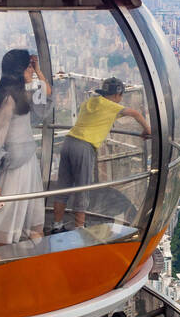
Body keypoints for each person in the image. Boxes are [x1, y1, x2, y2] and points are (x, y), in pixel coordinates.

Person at [0, 48, 51, 249]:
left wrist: (39, 71)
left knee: (16, 221)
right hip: (13, 168)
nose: (31, 70)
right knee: (1, 227)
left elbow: (46, 94)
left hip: (26, 164)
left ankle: (2, 265)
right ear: (19, 70)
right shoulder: (8, 100)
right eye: (29, 66)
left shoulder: (22, 94)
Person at [51, 77, 150, 231]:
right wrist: (147, 130)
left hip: (69, 142)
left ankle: (56, 225)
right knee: (82, 188)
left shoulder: (91, 102)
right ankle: (79, 229)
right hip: (84, 146)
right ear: (118, 95)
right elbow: (135, 113)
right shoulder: (111, 106)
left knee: (63, 186)